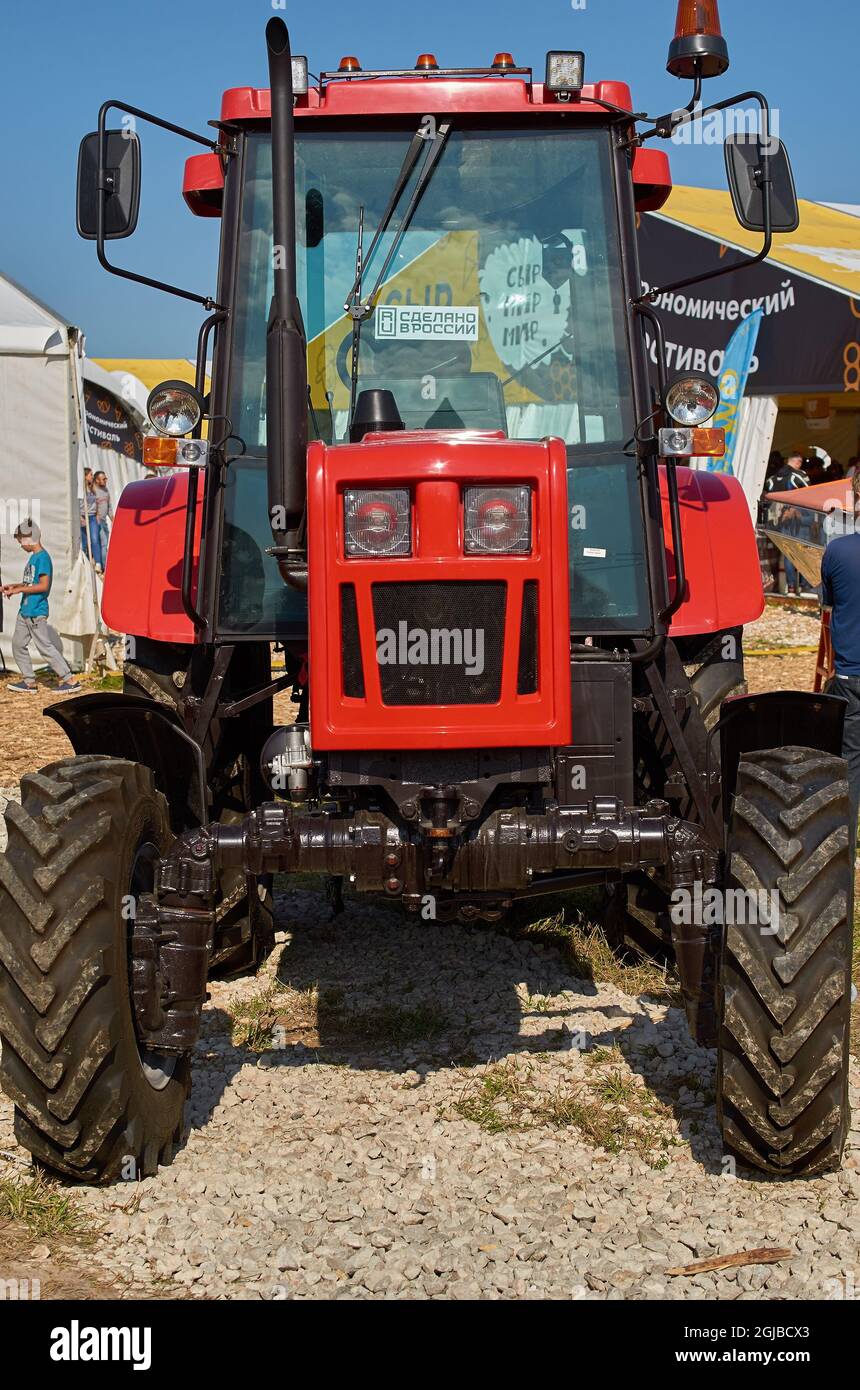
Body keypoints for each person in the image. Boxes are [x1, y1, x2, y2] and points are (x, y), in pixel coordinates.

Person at [822, 470, 860, 848]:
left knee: (850, 764)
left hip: (851, 675)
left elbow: (830, 606)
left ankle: (843, 857)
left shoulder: (837, 551)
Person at [2, 520, 80, 694]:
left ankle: (70, 680)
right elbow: (30, 583)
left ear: (30, 538)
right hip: (25, 611)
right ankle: (29, 682)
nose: (20, 545)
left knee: (44, 646)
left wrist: (20, 589)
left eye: (21, 541)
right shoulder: (33, 558)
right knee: (17, 644)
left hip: (36, 612)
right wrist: (14, 587)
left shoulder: (43, 558)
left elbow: (44, 586)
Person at [764, 451, 809, 595]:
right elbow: (810, 492)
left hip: (777, 520)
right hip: (796, 519)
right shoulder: (798, 476)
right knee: (800, 552)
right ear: (798, 462)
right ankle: (803, 586)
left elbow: (766, 495)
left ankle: (790, 587)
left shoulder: (772, 479)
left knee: (787, 553)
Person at [79, 468, 104, 571]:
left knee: (94, 539)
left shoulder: (93, 487)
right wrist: (80, 518)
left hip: (92, 516)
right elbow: (76, 503)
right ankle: (87, 564)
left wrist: (98, 514)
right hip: (82, 516)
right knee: (84, 542)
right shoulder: (81, 489)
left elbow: (97, 501)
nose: (92, 477)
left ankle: (98, 564)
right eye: (90, 475)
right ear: (85, 476)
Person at [92, 469, 113, 565]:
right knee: (103, 543)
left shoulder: (106, 490)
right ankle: (104, 565)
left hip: (104, 521)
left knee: (105, 544)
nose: (105, 481)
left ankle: (103, 564)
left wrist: (113, 518)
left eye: (106, 479)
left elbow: (109, 507)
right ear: (97, 480)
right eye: (103, 479)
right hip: (97, 520)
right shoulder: (94, 491)